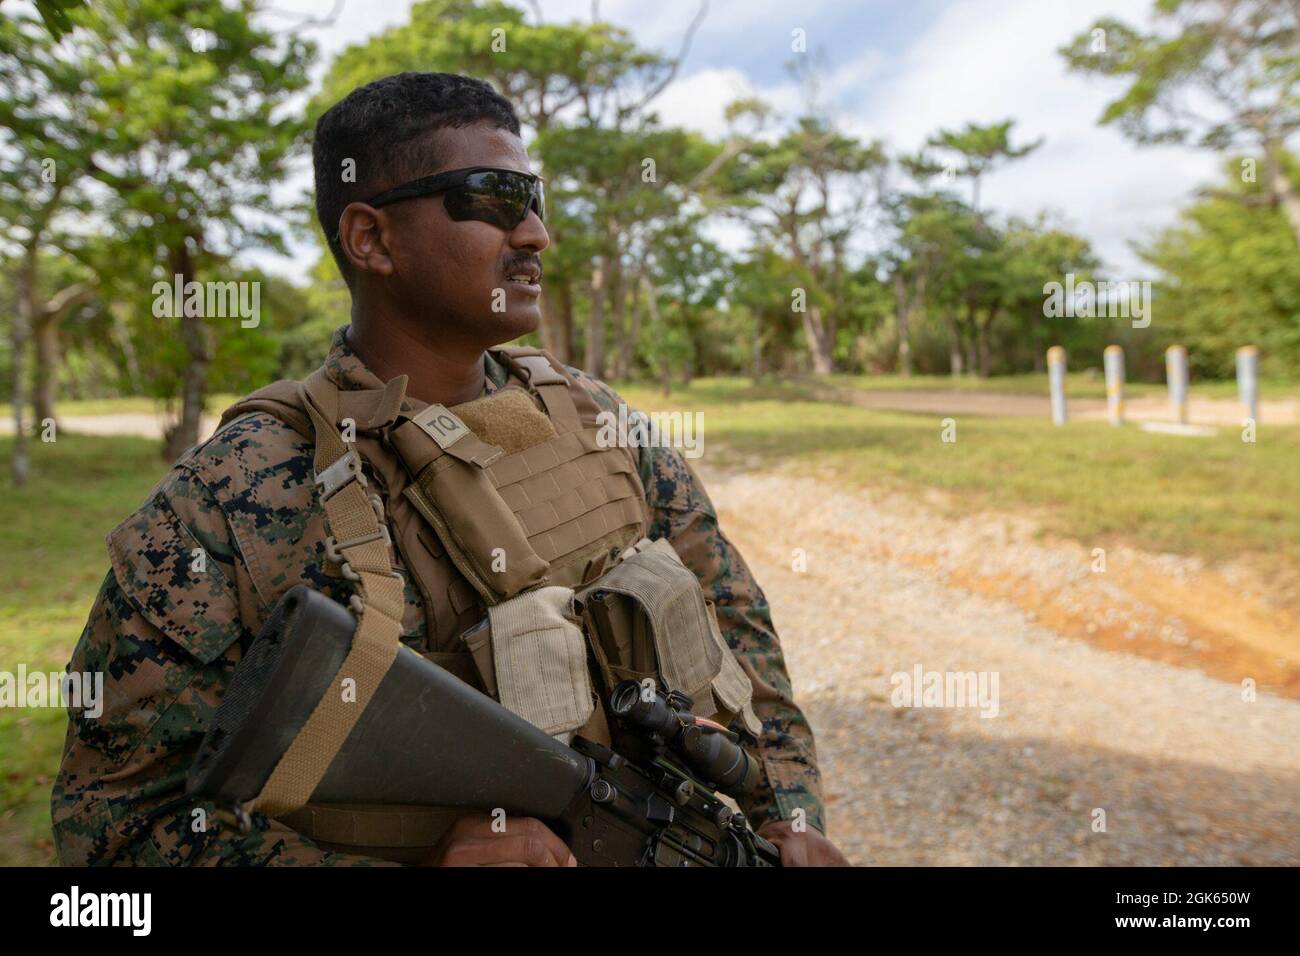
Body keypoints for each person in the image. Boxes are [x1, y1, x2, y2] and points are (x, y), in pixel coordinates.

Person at [52, 71, 847, 867]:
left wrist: (794, 813)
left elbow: (736, 625)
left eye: (534, 201)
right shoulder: (227, 503)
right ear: (372, 239)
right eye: (495, 200)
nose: (536, 235)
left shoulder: (597, 419)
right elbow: (117, 832)